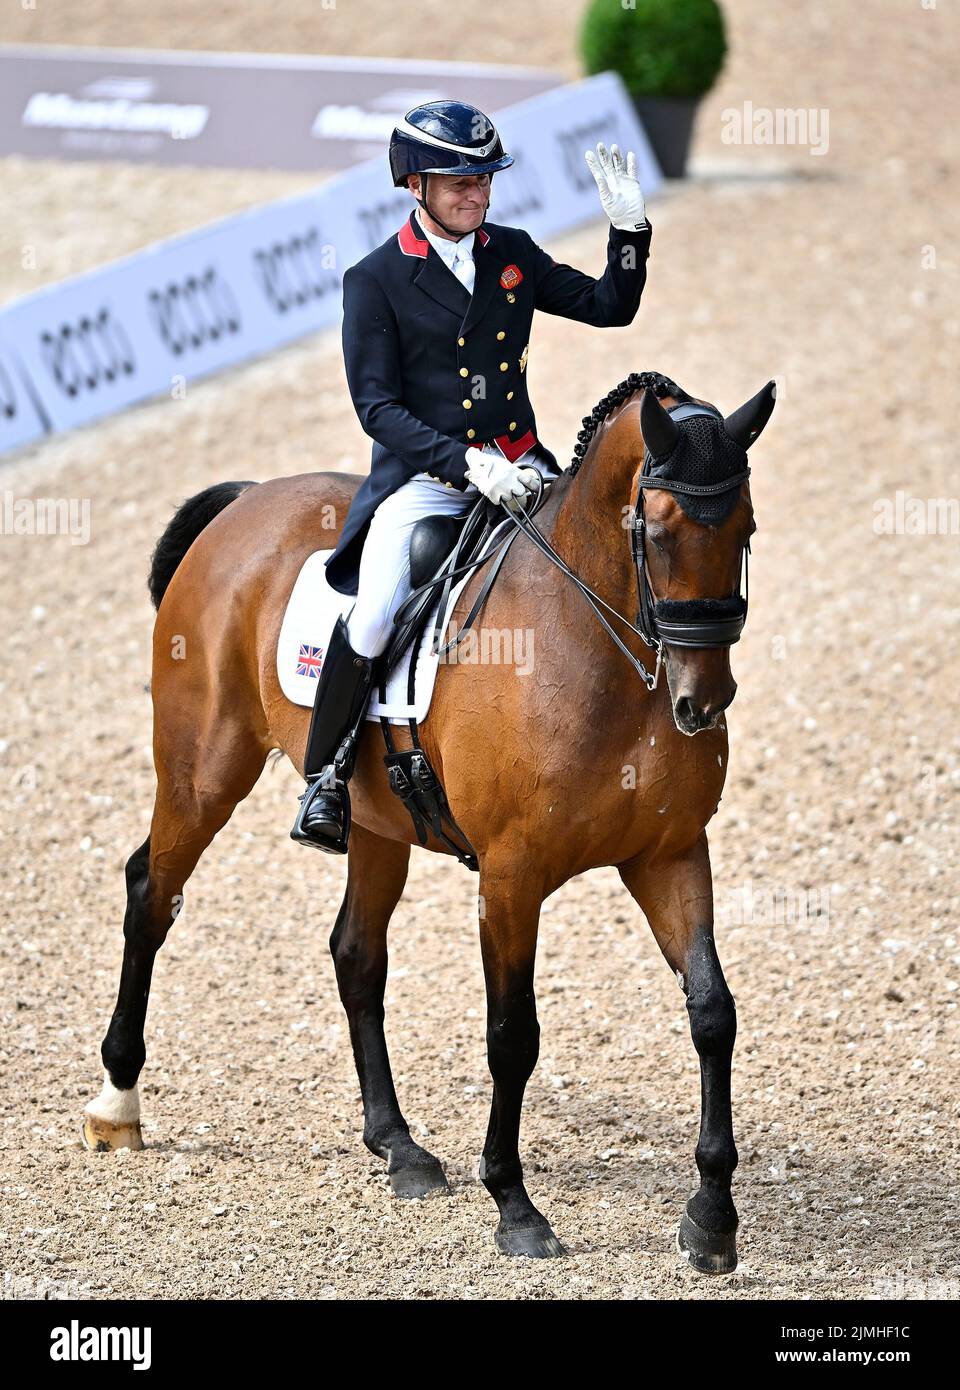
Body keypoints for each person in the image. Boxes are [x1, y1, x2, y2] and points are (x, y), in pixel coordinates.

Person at [291, 99, 652, 852]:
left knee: (621, 558)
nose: (478, 194)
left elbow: (608, 309)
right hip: (426, 479)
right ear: (414, 184)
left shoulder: (511, 255)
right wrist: (464, 464)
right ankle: (324, 782)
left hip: (524, 466)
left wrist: (629, 236)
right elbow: (376, 409)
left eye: (485, 180)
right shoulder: (376, 280)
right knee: (376, 609)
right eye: (460, 182)